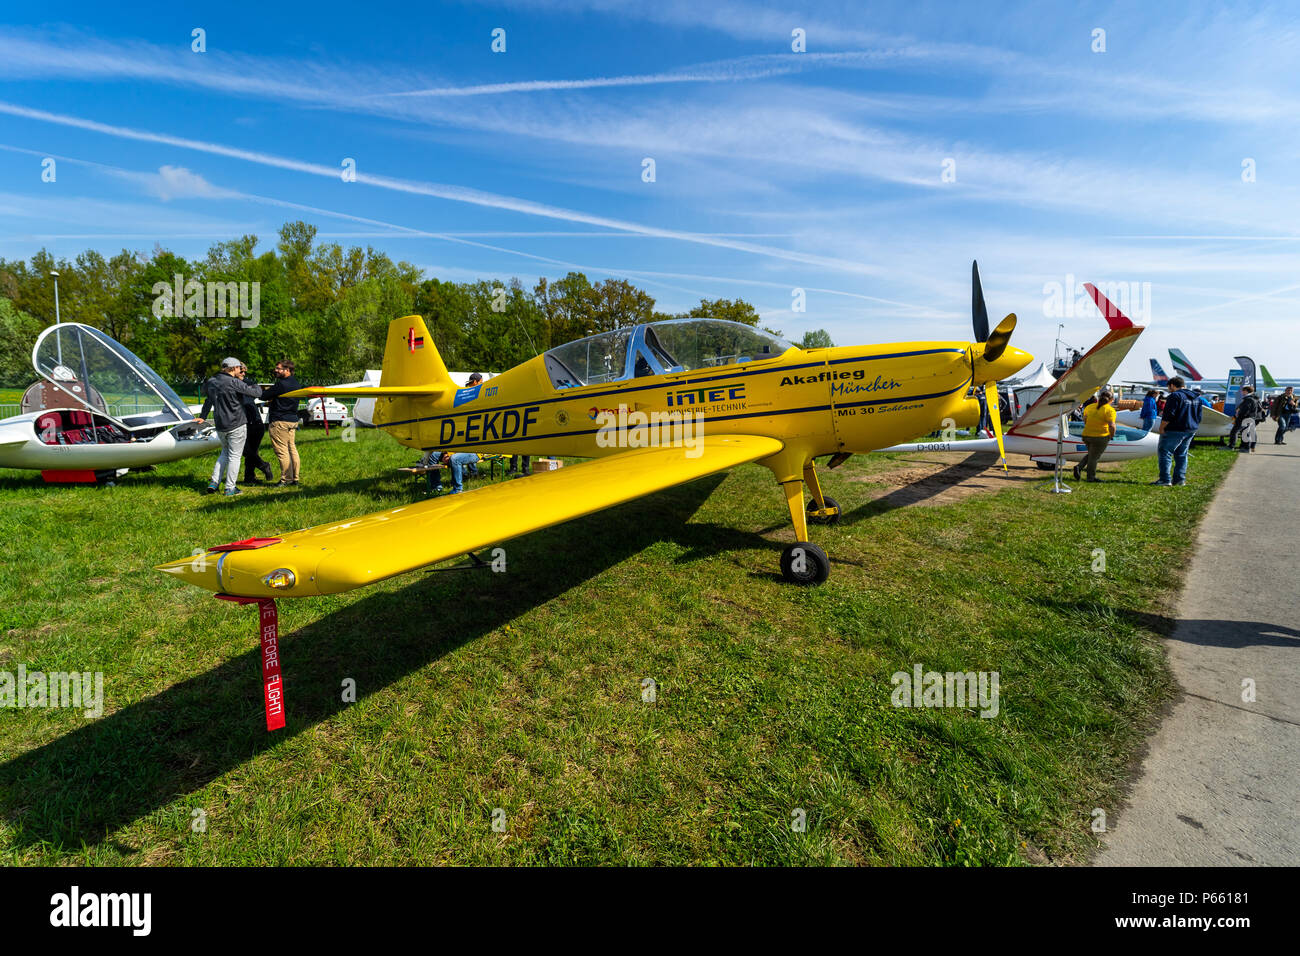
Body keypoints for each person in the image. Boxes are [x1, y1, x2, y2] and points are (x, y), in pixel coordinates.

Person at [197, 357, 265, 496]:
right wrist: (254, 384)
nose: (241, 370)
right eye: (239, 368)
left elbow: (208, 400)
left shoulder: (212, 382)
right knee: (235, 456)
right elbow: (256, 393)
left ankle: (214, 482)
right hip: (236, 423)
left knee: (225, 453)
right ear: (234, 368)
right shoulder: (233, 382)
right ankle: (230, 488)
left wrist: (203, 416)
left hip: (220, 424)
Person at [1152, 376, 1202, 487]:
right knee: (1182, 454)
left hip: (1175, 429)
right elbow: (1199, 416)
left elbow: (1169, 414)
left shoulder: (1175, 396)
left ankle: (1165, 479)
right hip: (1190, 429)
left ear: (1172, 385)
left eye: (1169, 387)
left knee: (1165, 453)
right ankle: (1180, 480)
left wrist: (1162, 427)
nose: (1169, 389)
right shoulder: (1197, 397)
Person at [261, 359, 303, 485]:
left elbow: (263, 395)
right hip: (292, 420)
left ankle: (286, 479)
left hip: (280, 421)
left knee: (282, 451)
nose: (276, 370)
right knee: (292, 449)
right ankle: (295, 478)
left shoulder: (281, 384)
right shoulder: (296, 383)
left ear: (288, 370)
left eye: (279, 368)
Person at [240, 366, 274, 484]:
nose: (243, 374)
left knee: (249, 450)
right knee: (248, 450)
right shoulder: (231, 384)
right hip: (244, 421)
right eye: (241, 371)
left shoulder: (248, 383)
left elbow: (260, 393)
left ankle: (252, 474)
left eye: (244, 371)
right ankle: (253, 474)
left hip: (254, 420)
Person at [1074, 389, 1116, 482]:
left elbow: (1085, 420)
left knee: (1092, 454)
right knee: (1094, 457)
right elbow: (1112, 426)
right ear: (1111, 400)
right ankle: (1090, 478)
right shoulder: (1110, 410)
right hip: (1100, 436)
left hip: (1086, 435)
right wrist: (1111, 436)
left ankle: (1079, 467)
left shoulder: (1089, 407)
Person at [1228, 385, 1262, 450]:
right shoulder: (1253, 398)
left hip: (1244, 418)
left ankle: (1231, 446)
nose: (1241, 392)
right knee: (1245, 432)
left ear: (1246, 391)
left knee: (1234, 431)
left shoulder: (1249, 399)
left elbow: (1245, 410)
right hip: (1250, 418)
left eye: (1242, 391)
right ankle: (1245, 447)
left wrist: (1238, 415)